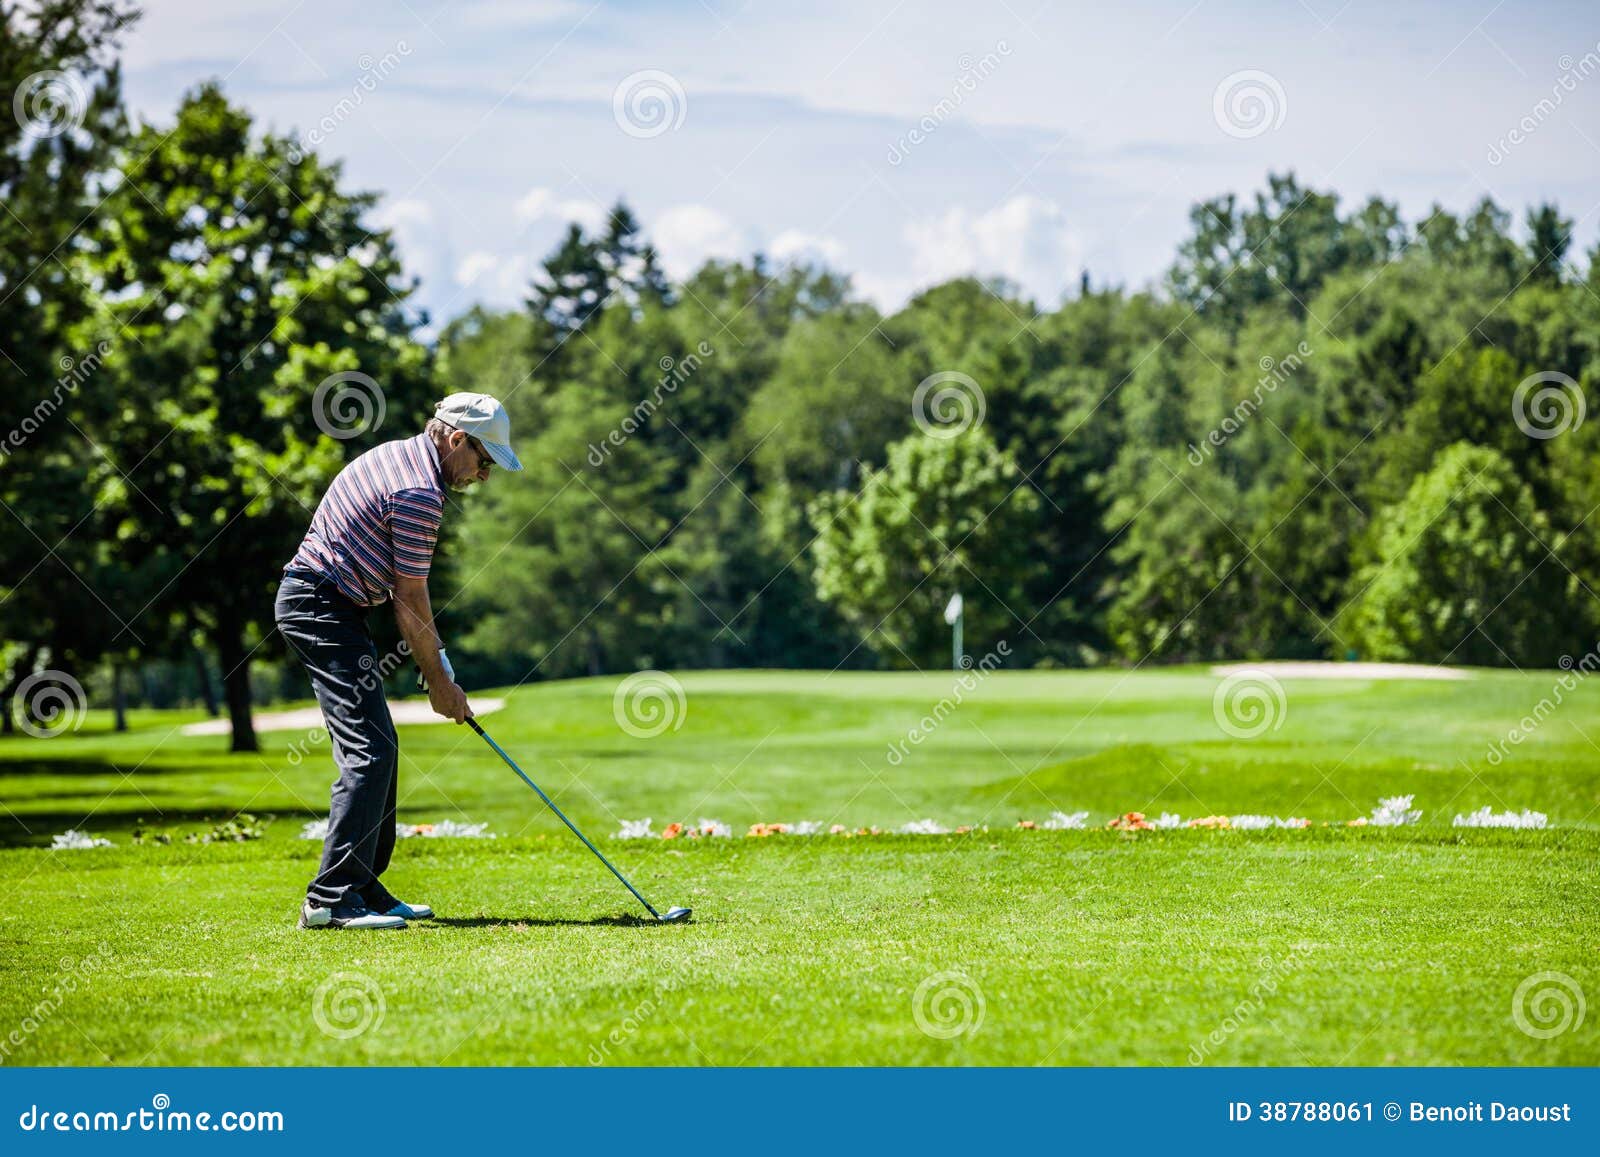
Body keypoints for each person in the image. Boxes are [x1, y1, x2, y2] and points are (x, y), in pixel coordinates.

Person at [275, 392, 522, 930]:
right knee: (368, 752)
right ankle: (330, 900)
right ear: (457, 439)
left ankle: (361, 884)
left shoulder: (401, 456)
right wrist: (439, 681)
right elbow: (410, 596)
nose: (483, 477)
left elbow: (400, 596)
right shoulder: (418, 492)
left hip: (330, 604)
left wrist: (441, 671)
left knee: (379, 745)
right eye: (483, 462)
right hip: (320, 605)